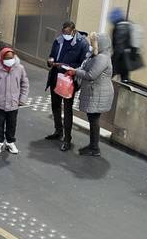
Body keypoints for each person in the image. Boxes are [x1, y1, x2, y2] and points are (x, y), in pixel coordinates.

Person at [44, 22, 89, 151]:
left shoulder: (82, 44)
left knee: (67, 110)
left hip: (69, 81)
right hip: (55, 77)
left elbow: (84, 65)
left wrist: (72, 70)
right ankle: (58, 131)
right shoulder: (59, 40)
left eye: (67, 33)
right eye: (63, 32)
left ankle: (67, 139)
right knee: (55, 105)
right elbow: (52, 55)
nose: (65, 35)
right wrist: (50, 61)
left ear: (74, 31)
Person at [68, 32, 112, 157]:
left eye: (94, 43)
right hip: (95, 92)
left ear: (101, 44)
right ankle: (93, 146)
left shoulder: (102, 58)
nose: (92, 45)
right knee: (93, 119)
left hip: (97, 94)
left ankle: (94, 147)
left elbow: (91, 75)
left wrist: (75, 72)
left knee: (94, 119)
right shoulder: (98, 55)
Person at [0, 48, 30, 154]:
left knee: (12, 124)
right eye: (6, 58)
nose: (9, 60)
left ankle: (10, 142)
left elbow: (25, 84)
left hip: (14, 104)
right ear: (2, 58)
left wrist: (22, 99)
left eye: (11, 58)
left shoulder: (20, 68)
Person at [109, 7, 144, 81]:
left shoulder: (120, 27)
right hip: (127, 57)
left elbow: (119, 44)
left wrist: (115, 57)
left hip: (121, 57)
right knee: (124, 76)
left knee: (108, 74)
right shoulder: (128, 24)